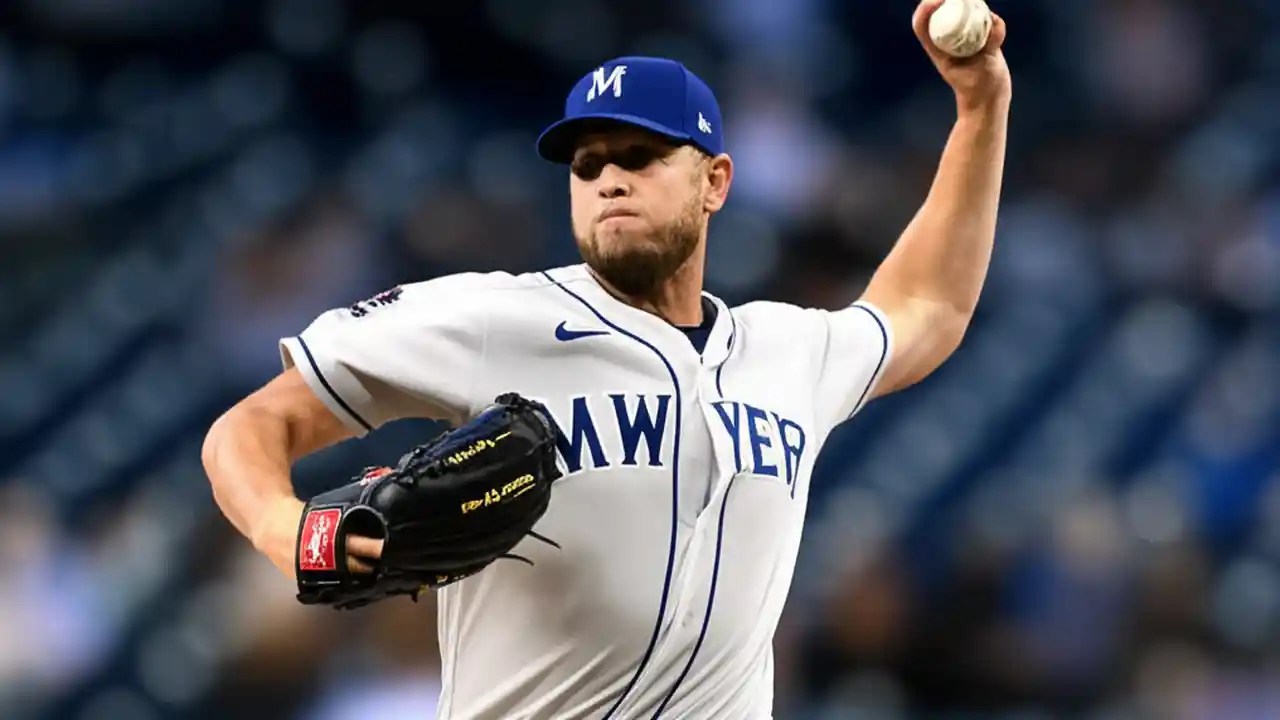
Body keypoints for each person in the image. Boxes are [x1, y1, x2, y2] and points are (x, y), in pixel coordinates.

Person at [201, 2, 1011, 717]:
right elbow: (252, 424)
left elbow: (928, 307)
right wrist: (287, 528)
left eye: (641, 157)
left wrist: (980, 109)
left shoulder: (786, 350)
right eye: (588, 165)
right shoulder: (496, 317)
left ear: (715, 182)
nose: (609, 180)